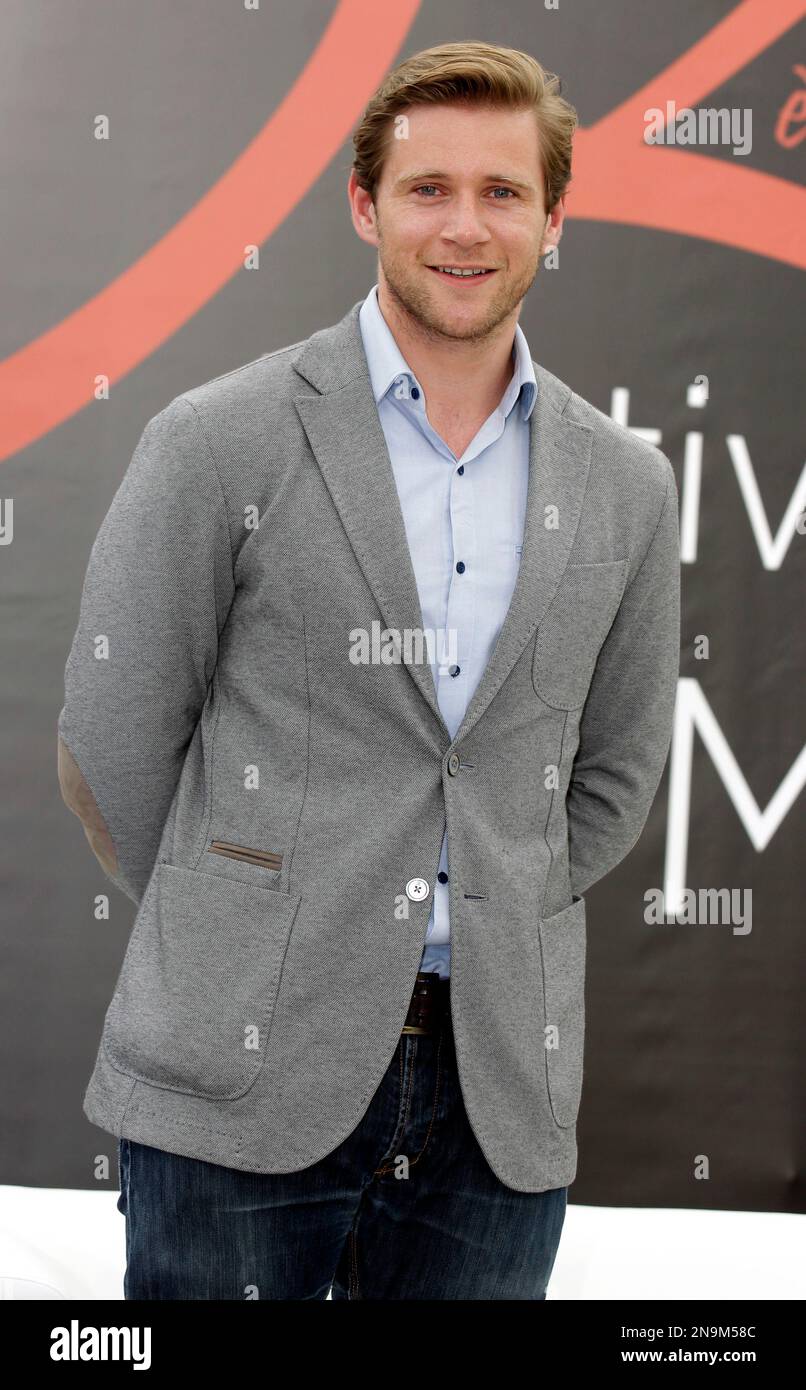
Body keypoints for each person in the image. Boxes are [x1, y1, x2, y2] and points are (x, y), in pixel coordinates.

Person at [58, 40, 680, 1300]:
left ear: (553, 218)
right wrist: (243, 919)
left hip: (494, 1100)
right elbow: (111, 744)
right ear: (364, 206)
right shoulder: (217, 439)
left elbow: (613, 772)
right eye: (426, 188)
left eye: (503, 192)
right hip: (235, 1080)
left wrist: (502, 897)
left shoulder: (625, 484)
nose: (465, 226)